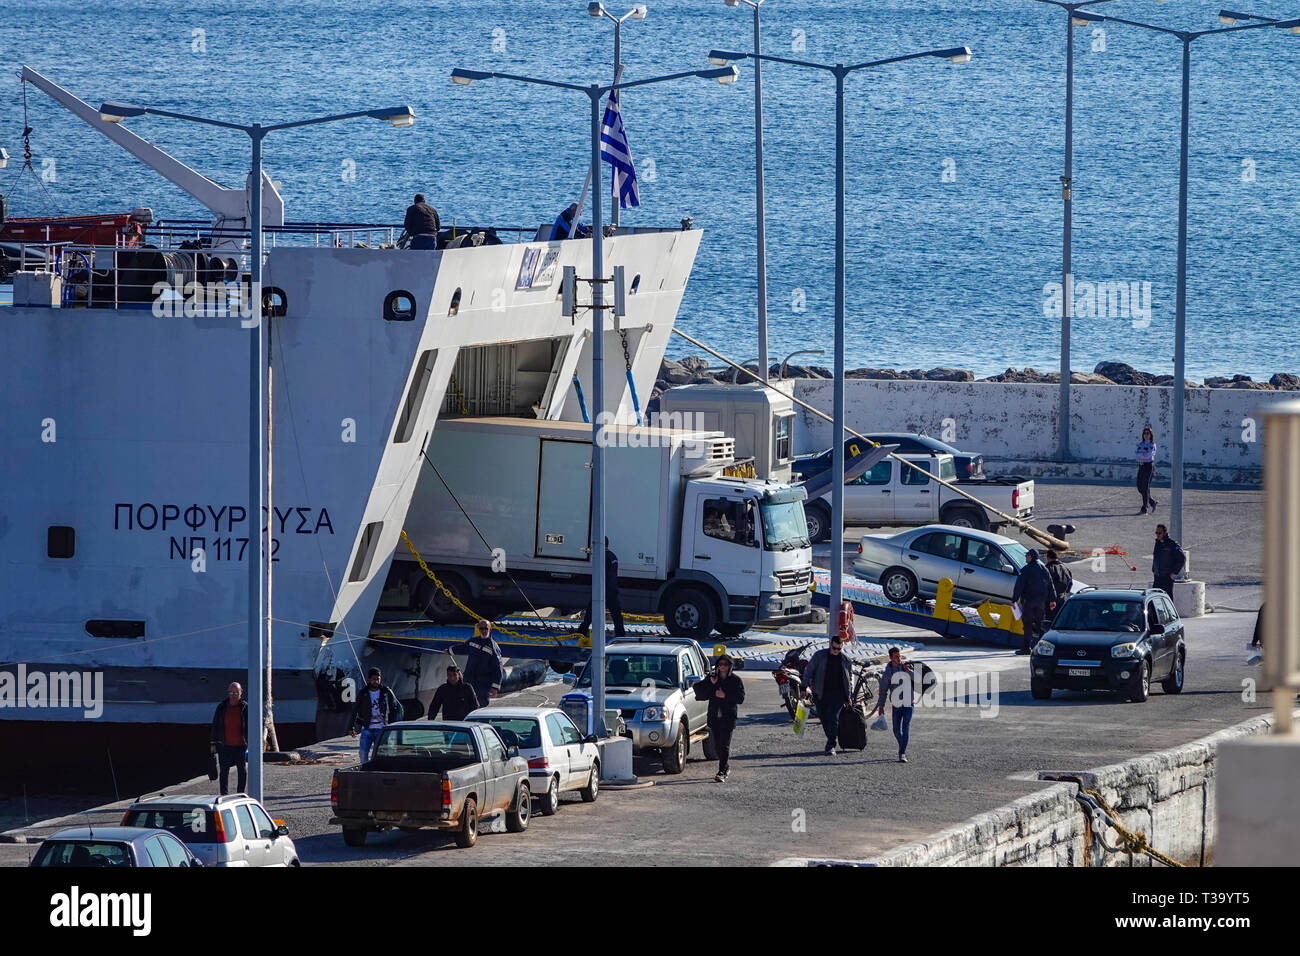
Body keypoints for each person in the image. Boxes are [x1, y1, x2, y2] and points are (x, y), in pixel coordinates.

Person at [692, 654, 745, 782]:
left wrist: (725, 696)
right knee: (716, 746)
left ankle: (721, 771)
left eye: (725, 665)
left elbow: (740, 698)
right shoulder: (712, 678)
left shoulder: (735, 680)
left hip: (728, 717)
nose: (722, 667)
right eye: (720, 664)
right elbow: (699, 693)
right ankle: (726, 766)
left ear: (730, 666)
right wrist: (711, 684)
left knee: (724, 745)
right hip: (714, 717)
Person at [801, 636, 853, 756]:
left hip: (838, 693)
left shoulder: (845, 660)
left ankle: (831, 744)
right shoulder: (819, 656)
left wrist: (848, 696)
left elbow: (849, 679)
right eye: (834, 648)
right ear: (830, 645)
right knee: (824, 717)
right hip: (821, 692)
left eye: (839, 649)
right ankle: (831, 738)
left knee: (833, 717)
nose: (836, 651)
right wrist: (803, 687)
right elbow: (809, 671)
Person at [875, 647, 923, 763]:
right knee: (896, 731)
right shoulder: (888, 672)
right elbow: (883, 690)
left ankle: (902, 753)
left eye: (899, 656)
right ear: (891, 658)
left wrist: (908, 671)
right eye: (896, 656)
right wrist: (881, 707)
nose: (899, 658)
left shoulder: (906, 667)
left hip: (908, 703)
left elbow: (918, 680)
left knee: (905, 727)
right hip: (896, 704)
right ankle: (903, 746)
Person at [349, 667, 403, 763]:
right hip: (367, 729)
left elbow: (395, 708)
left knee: (385, 755)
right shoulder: (363, 693)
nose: (376, 681)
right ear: (369, 679)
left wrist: (393, 725)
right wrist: (351, 727)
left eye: (378, 679)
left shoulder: (386, 692)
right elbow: (355, 710)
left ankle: (382, 773)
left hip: (382, 729)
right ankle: (366, 773)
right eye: (374, 679)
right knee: (363, 754)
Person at [577, 538, 626, 637]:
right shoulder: (613, 556)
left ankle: (582, 630)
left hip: (603, 588)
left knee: (591, 611)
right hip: (612, 588)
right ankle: (620, 632)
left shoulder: (602, 557)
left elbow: (600, 574)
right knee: (616, 613)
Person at [1012, 549, 1055, 655]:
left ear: (1031, 557)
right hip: (1041, 602)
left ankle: (1026, 648)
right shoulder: (1044, 569)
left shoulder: (1025, 570)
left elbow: (1019, 586)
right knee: (1041, 624)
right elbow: (1050, 585)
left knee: (1027, 624)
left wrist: (1014, 599)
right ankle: (1042, 648)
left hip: (1029, 601)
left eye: (1027, 556)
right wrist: (1052, 599)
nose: (1026, 557)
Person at [209, 682, 249, 796]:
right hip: (224, 745)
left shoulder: (245, 707)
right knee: (224, 771)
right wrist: (213, 743)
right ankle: (224, 794)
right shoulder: (222, 707)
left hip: (241, 745)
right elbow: (215, 724)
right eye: (231, 692)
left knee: (242, 770)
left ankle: (240, 793)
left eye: (236, 692)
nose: (233, 695)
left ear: (241, 692)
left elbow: (250, 725)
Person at [455, 620, 506, 706]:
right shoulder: (473, 641)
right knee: (466, 703)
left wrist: (495, 687)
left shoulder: (493, 647)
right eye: (481, 628)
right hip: (469, 680)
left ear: (490, 629)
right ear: (478, 629)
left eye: (485, 628)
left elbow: (498, 668)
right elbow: (463, 648)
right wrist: (449, 650)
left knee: (480, 705)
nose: (483, 631)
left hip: (483, 684)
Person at [1151, 524, 1185, 600]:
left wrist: (1174, 573)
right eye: (1156, 533)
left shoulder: (1172, 544)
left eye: (1159, 533)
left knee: (1167, 599)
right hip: (1157, 577)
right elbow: (1155, 557)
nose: (1157, 535)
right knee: (1154, 600)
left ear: (1165, 533)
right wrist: (1153, 569)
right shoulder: (1157, 543)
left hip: (1167, 577)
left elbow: (1182, 559)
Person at [1044, 549, 1073, 623]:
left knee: (1049, 622)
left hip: (1050, 600)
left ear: (1048, 558)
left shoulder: (1048, 568)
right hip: (1062, 598)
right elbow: (1070, 583)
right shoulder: (1065, 568)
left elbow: (1045, 584)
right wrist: (1066, 593)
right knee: (1059, 621)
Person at [1135, 427, 1159, 514]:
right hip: (1141, 466)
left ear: (1151, 435)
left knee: (1145, 487)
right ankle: (1152, 502)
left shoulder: (1152, 445)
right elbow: (1137, 455)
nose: (1146, 435)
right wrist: (1142, 454)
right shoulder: (1141, 444)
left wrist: (1142, 454)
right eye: (1144, 433)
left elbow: (1148, 455)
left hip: (1149, 466)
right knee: (1139, 487)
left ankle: (1144, 508)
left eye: (1148, 433)